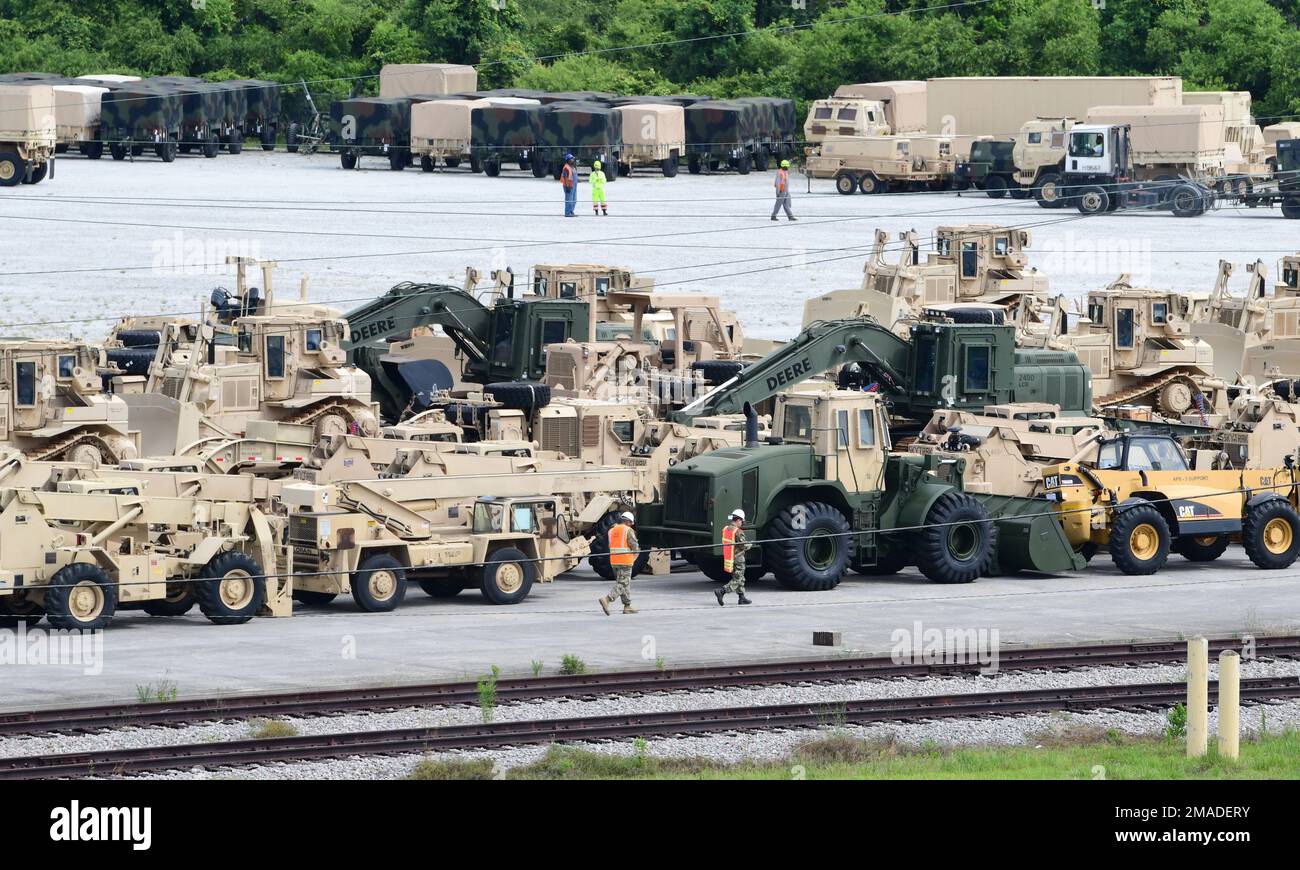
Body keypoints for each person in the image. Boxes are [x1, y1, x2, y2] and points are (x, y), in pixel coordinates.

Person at [599, 512, 639, 614]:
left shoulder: (611, 531)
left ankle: (627, 606)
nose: (631, 525)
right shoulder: (628, 530)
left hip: (614, 561)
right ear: (627, 521)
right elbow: (634, 547)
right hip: (625, 561)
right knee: (623, 583)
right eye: (631, 523)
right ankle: (607, 599)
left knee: (623, 584)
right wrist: (634, 556)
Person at [714, 509, 753, 606]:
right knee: (738, 579)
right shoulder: (738, 531)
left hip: (730, 557)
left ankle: (741, 597)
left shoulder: (726, 529)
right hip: (738, 558)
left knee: (740, 577)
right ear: (738, 520)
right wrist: (751, 544)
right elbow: (743, 546)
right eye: (742, 521)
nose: (742, 523)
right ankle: (722, 591)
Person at [560, 153, 578, 217]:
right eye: (571, 159)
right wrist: (567, 186)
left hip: (574, 185)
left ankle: (571, 211)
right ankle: (567, 213)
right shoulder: (566, 168)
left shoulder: (573, 167)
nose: (573, 160)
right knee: (569, 200)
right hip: (568, 186)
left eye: (573, 158)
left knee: (574, 199)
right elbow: (565, 177)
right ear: (568, 160)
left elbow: (574, 176)